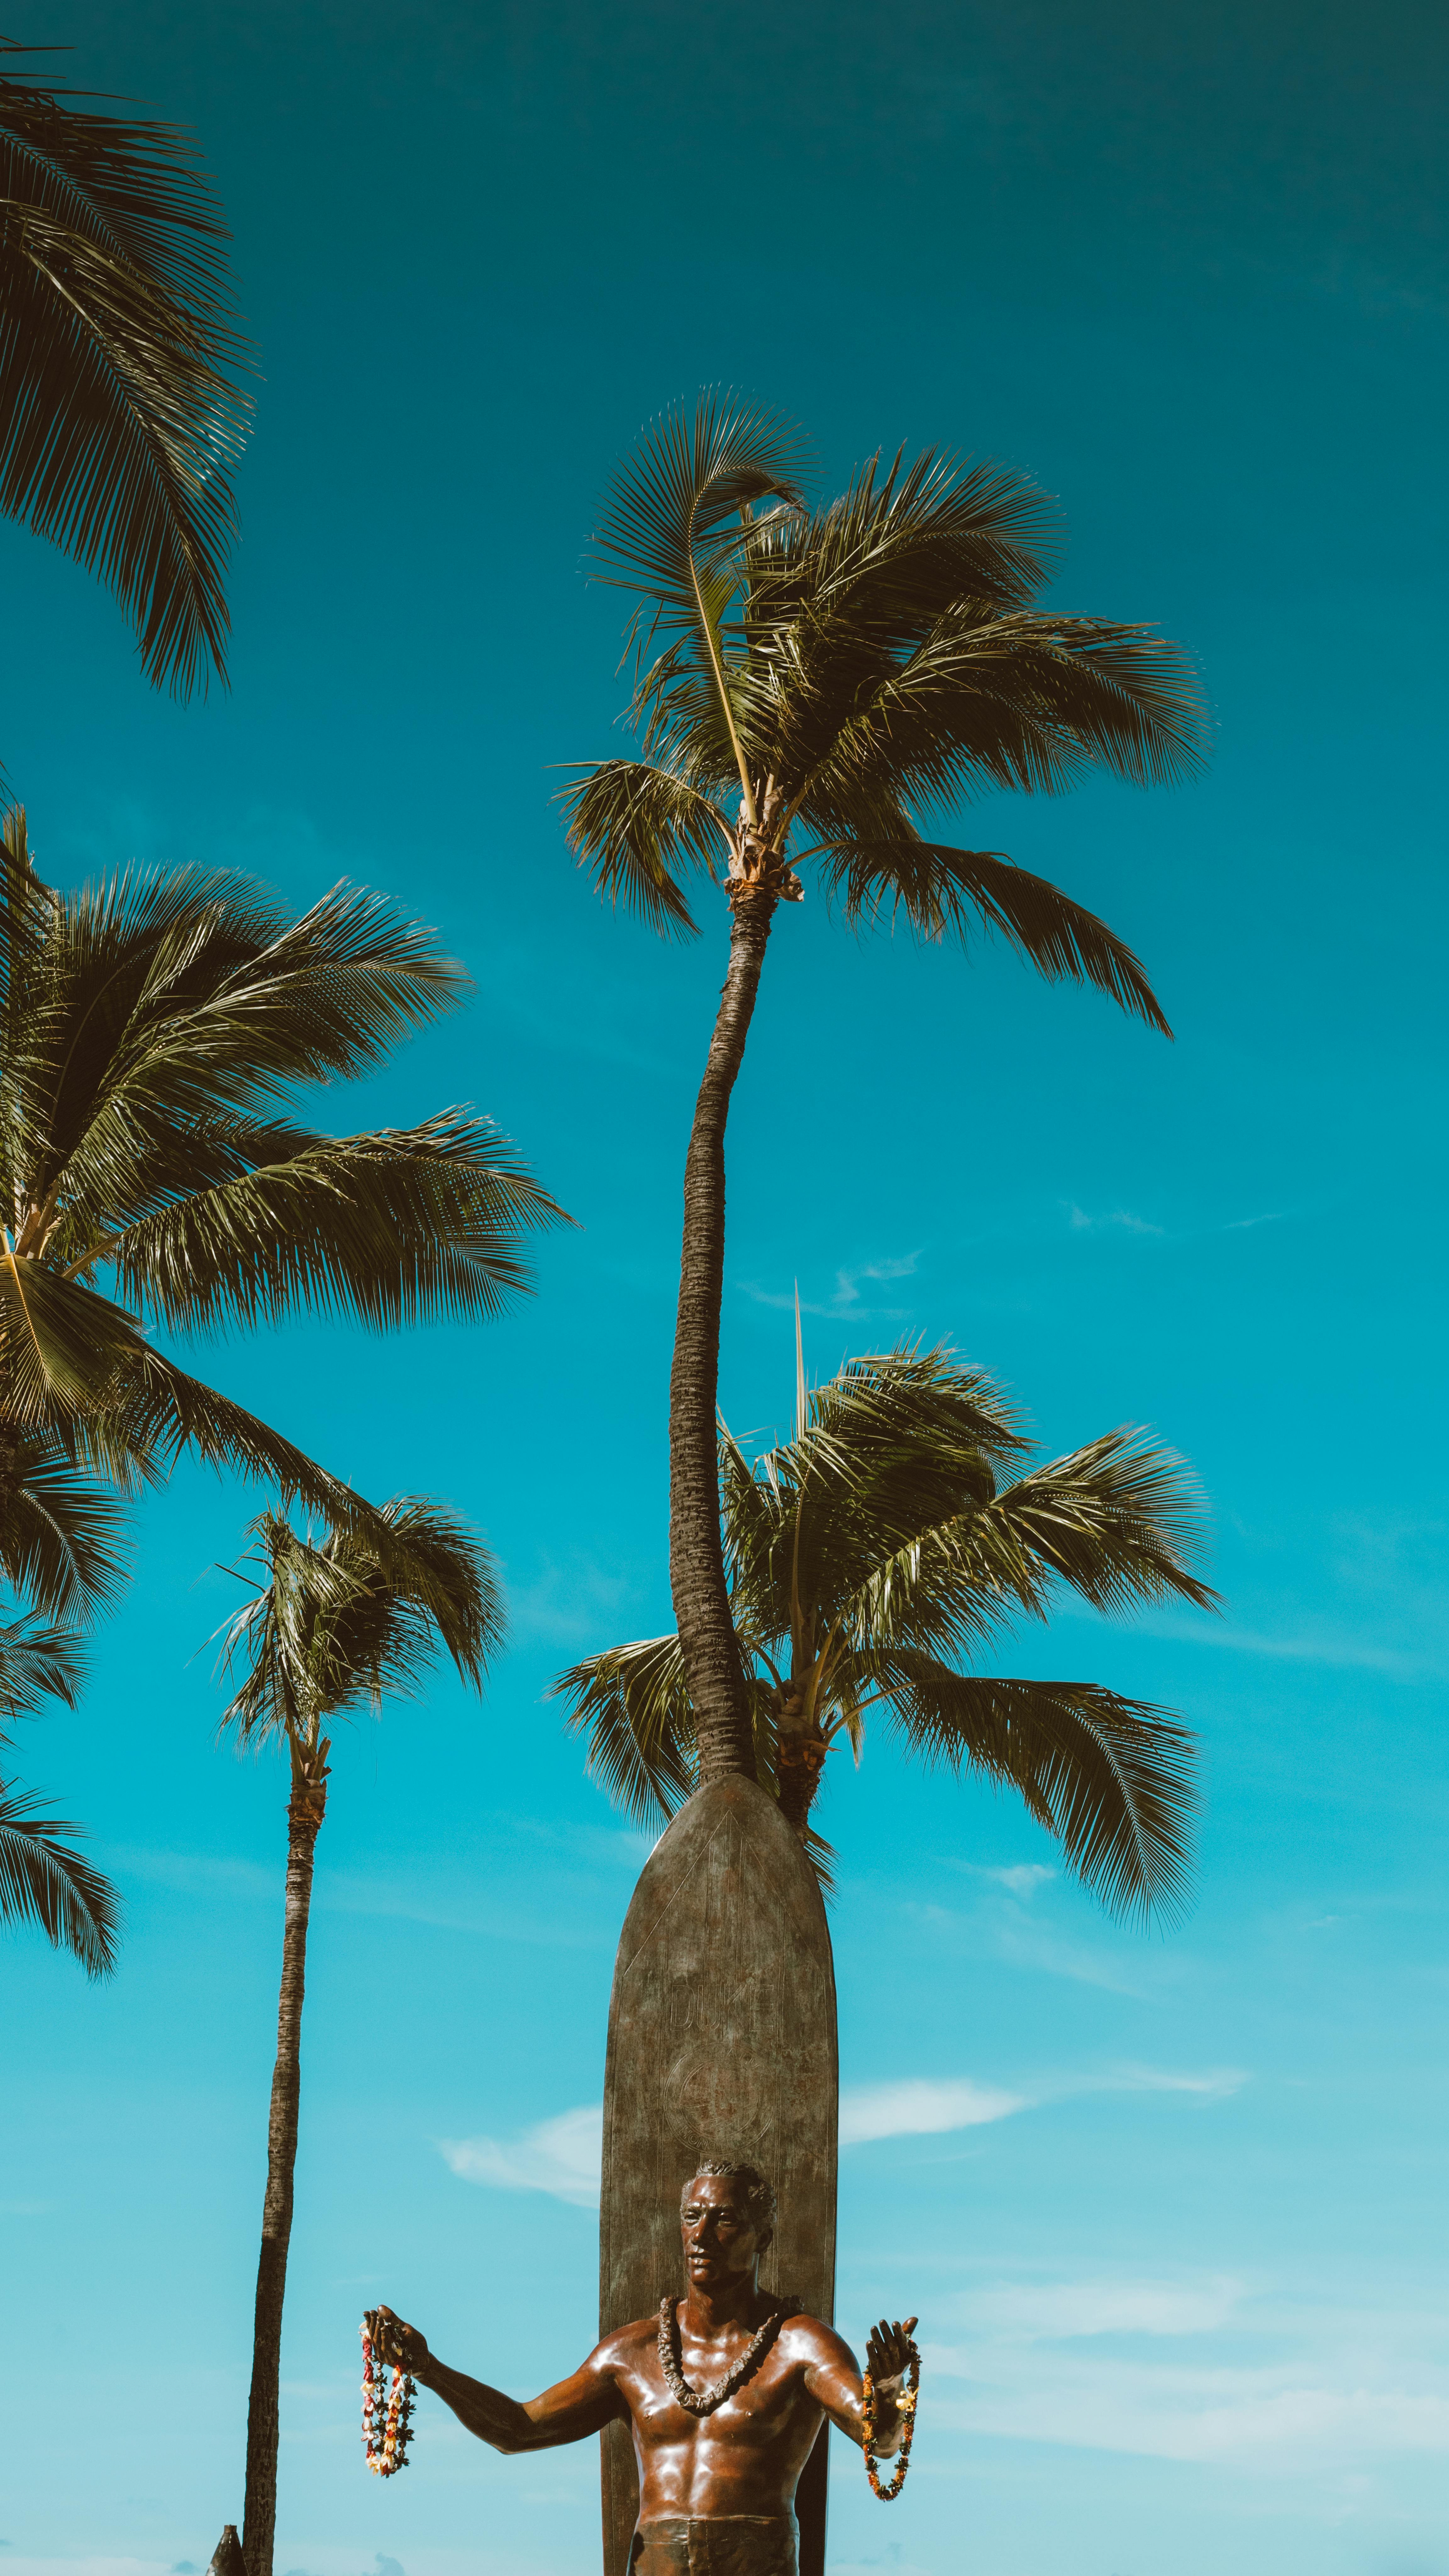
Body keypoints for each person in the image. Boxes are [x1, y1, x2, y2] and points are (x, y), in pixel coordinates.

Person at [369, 2156, 918, 2575]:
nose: (702, 2236)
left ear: (763, 2238)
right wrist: (427, 2367)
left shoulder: (801, 2345)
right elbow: (519, 2429)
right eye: (692, 2217)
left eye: (725, 2220)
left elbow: (882, 2439)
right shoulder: (630, 2354)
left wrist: (890, 2385)